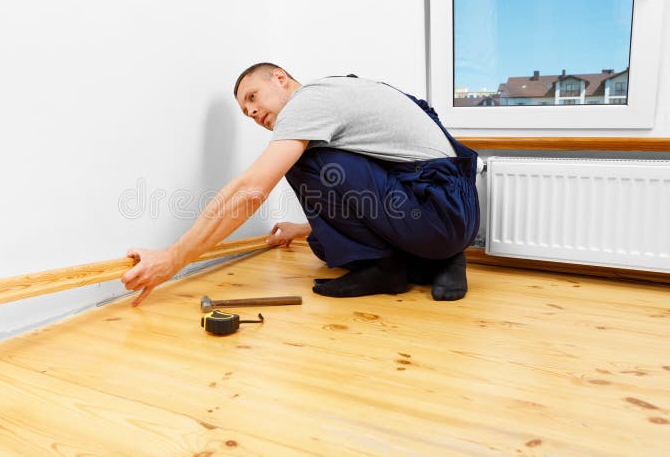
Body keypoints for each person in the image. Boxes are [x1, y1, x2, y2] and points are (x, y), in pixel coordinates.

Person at [121, 63, 480, 306]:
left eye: (252, 98)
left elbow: (251, 191)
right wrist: (309, 225)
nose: (253, 114)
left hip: (438, 210)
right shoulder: (340, 93)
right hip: (451, 210)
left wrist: (173, 258)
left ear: (280, 78)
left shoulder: (307, 103)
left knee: (300, 158)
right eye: (246, 113)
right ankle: (440, 259)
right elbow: (381, 182)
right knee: (323, 243)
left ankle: (391, 267)